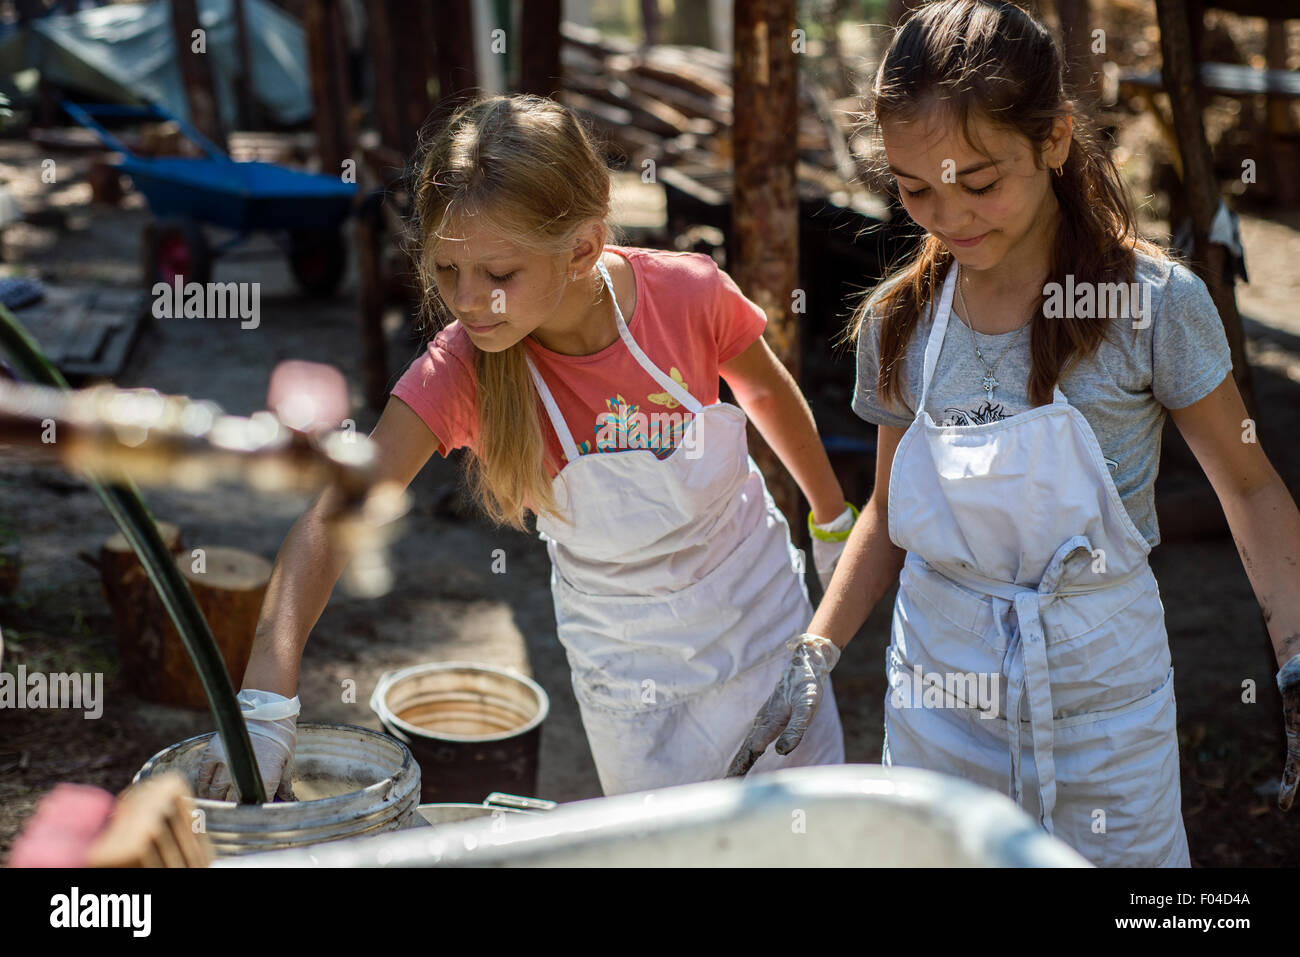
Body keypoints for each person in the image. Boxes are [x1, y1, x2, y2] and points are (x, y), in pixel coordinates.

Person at [729, 0, 1300, 867]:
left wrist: (1296, 653)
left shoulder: (1151, 307)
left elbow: (1251, 487)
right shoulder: (900, 324)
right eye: (916, 190)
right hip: (939, 688)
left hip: (1099, 688)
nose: (951, 217)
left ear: (1057, 140)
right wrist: (818, 646)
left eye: (981, 181)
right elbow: (888, 510)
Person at [195, 93, 850, 801]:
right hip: (629, 671)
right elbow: (330, 520)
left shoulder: (685, 295)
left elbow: (766, 395)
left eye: (499, 276)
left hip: (759, 619)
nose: (468, 301)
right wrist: (265, 701)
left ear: (582, 249)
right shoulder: (460, 371)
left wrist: (831, 518)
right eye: (447, 272)